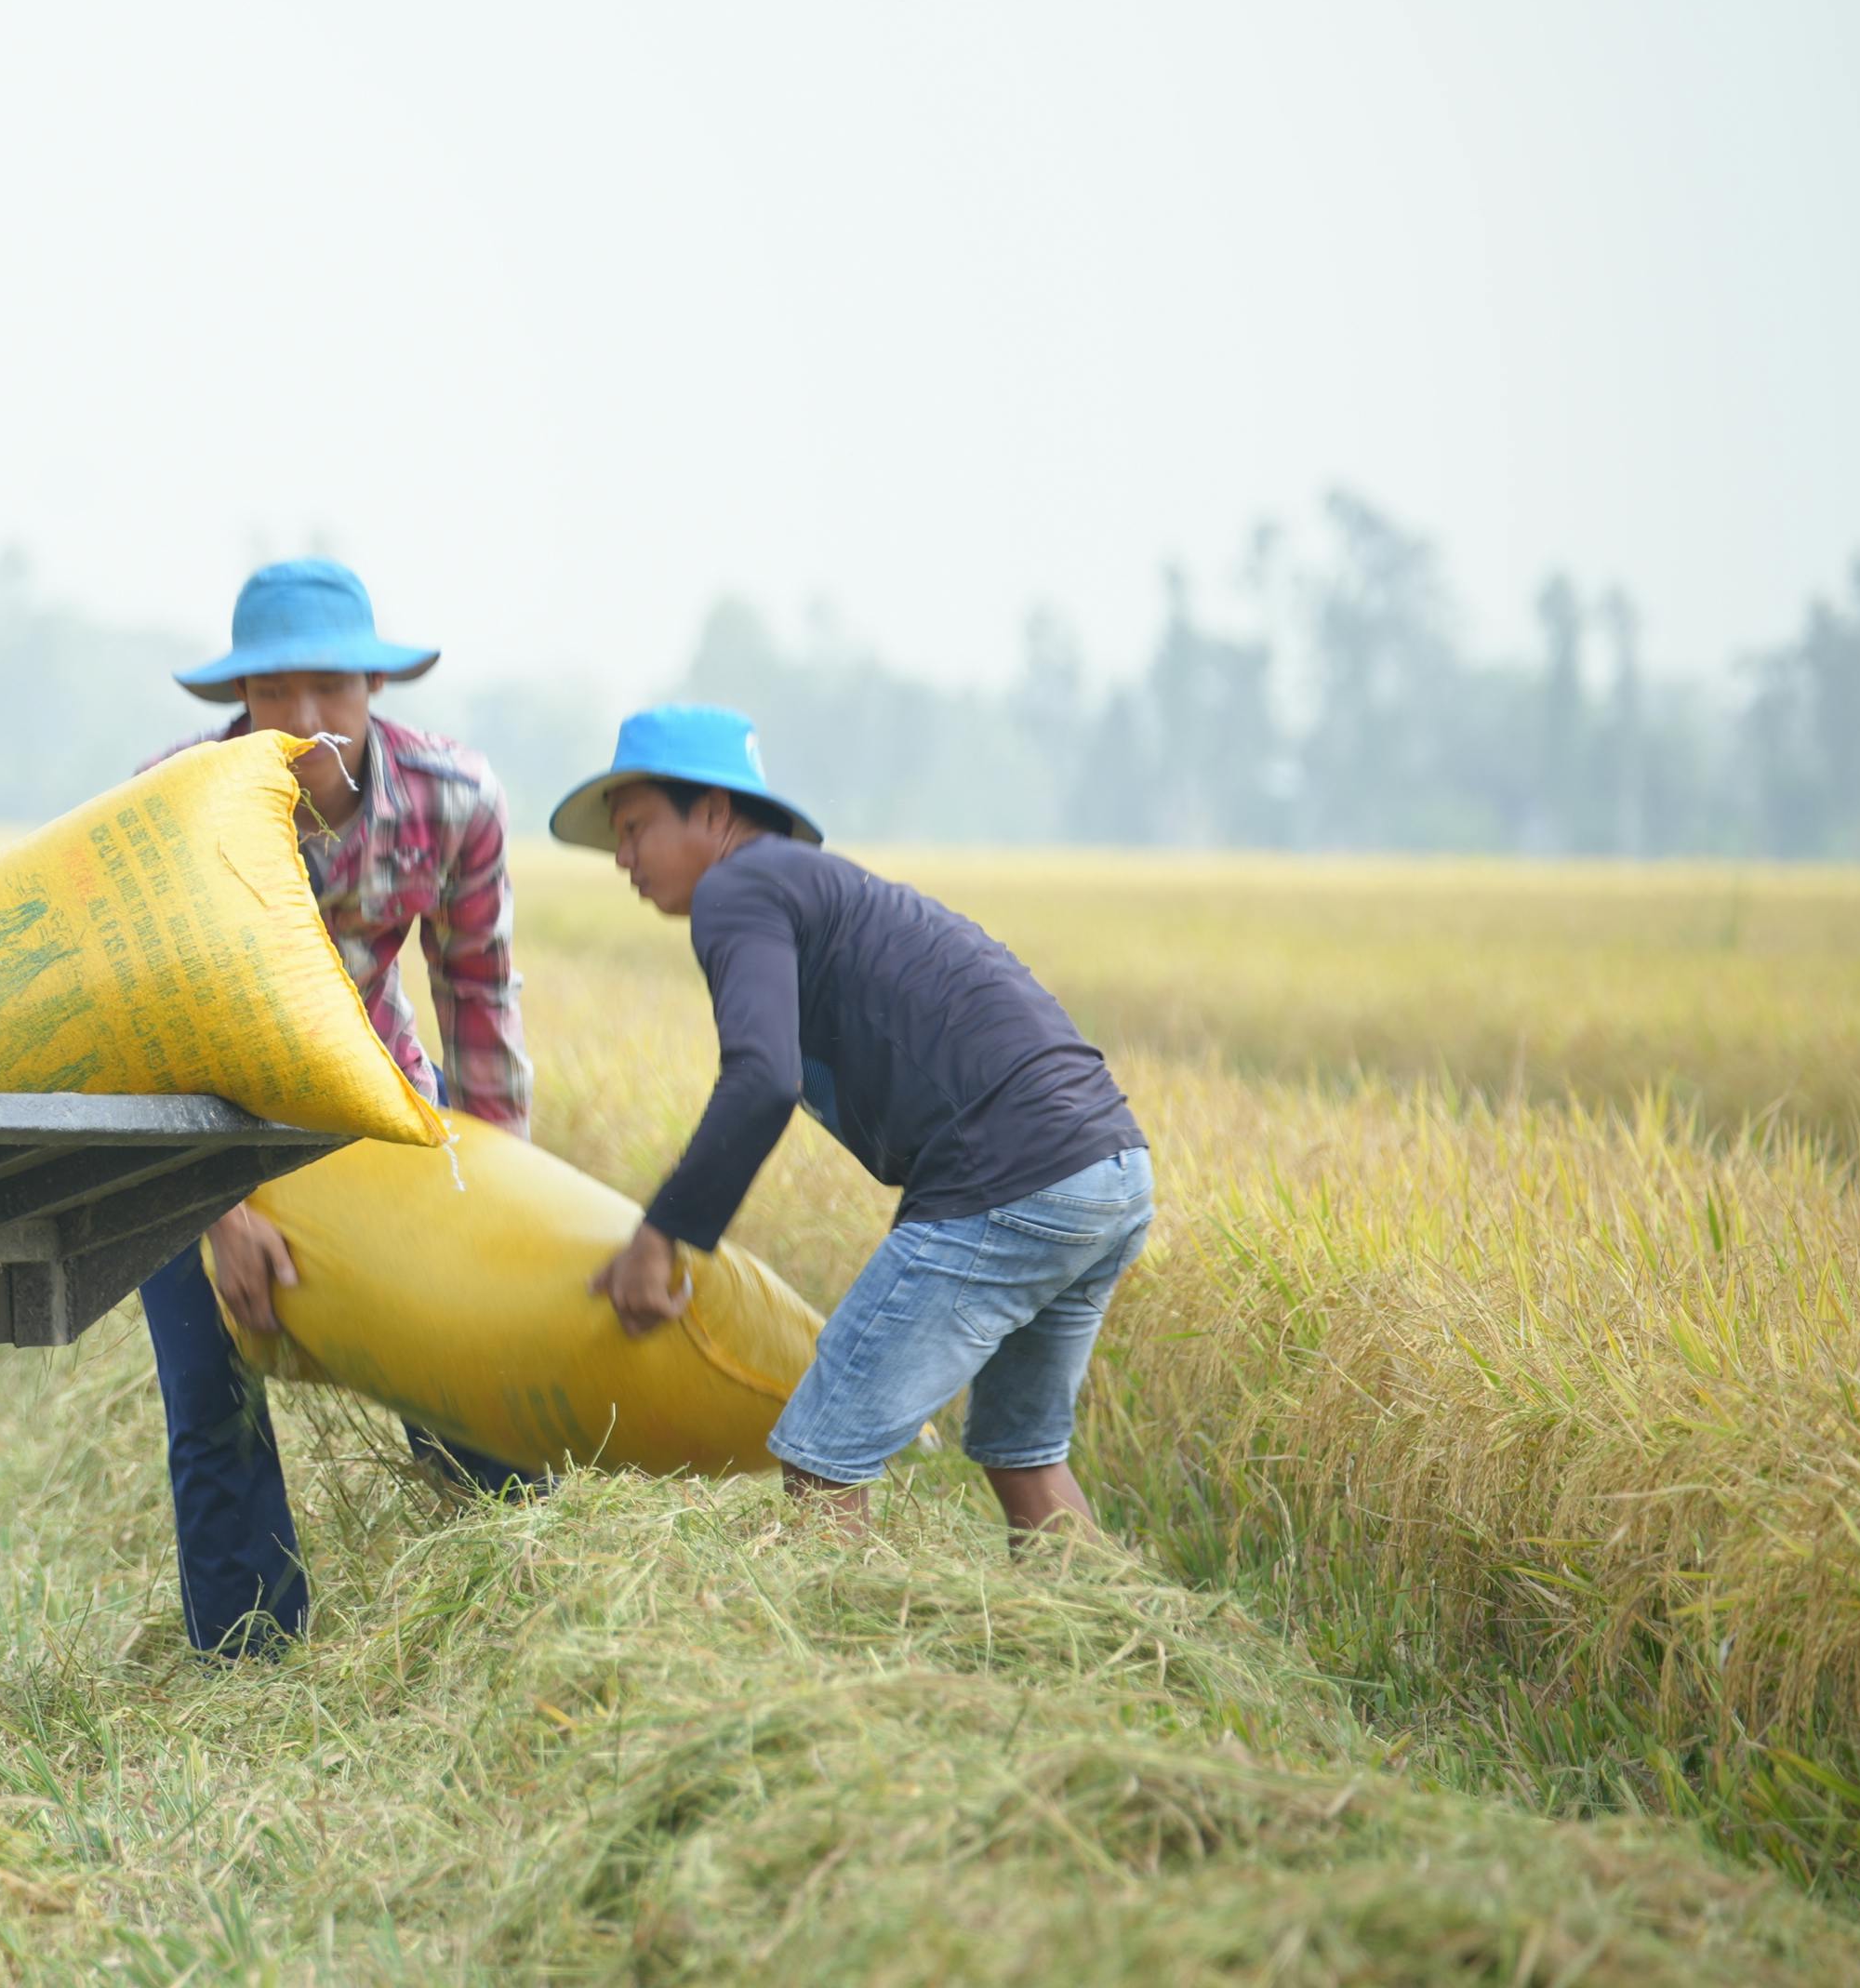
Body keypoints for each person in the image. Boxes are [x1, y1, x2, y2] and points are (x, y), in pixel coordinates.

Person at [552, 705, 1150, 1535]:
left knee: (820, 1451)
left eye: (636, 828)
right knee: (1024, 1453)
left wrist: (664, 1234)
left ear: (717, 815)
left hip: (1006, 1177)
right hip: (1108, 1169)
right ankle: (1108, 1654)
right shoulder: (817, 892)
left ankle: (838, 1663)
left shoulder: (741, 883)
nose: (622, 858)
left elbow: (763, 1079)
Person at [140, 558, 531, 1655]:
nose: (306, 723)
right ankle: (253, 1666)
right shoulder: (170, 814)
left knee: (464, 1360)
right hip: (202, 1114)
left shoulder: (454, 801)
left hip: (381, 1096)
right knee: (213, 1393)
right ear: (240, 706)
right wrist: (221, 1215)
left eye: (332, 692)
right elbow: (149, 1034)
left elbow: (480, 1007)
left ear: (374, 693)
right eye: (273, 696)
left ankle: (504, 1609)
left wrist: (493, 1202)